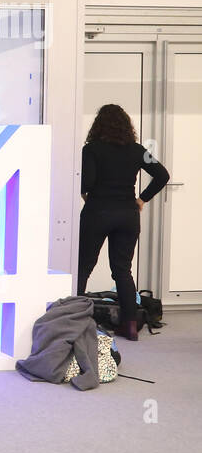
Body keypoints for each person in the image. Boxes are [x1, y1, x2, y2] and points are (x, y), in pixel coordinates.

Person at [76, 104, 170, 341]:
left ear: (98, 125)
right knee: (122, 270)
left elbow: (86, 182)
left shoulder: (92, 149)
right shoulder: (138, 150)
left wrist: (87, 194)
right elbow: (163, 175)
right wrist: (142, 199)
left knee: (83, 266)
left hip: (98, 212)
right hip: (128, 214)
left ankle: (74, 320)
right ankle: (129, 326)